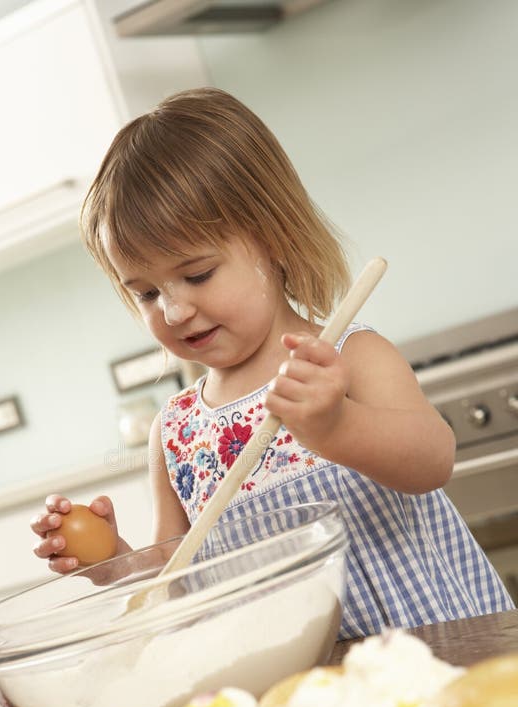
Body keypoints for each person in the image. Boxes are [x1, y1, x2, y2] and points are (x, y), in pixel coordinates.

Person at [30, 87, 513, 638]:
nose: (175, 309)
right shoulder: (176, 432)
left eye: (197, 274)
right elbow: (181, 573)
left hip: (433, 656)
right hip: (296, 693)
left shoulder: (346, 358)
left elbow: (433, 461)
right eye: (144, 293)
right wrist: (112, 560)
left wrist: (338, 427)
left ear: (274, 239)